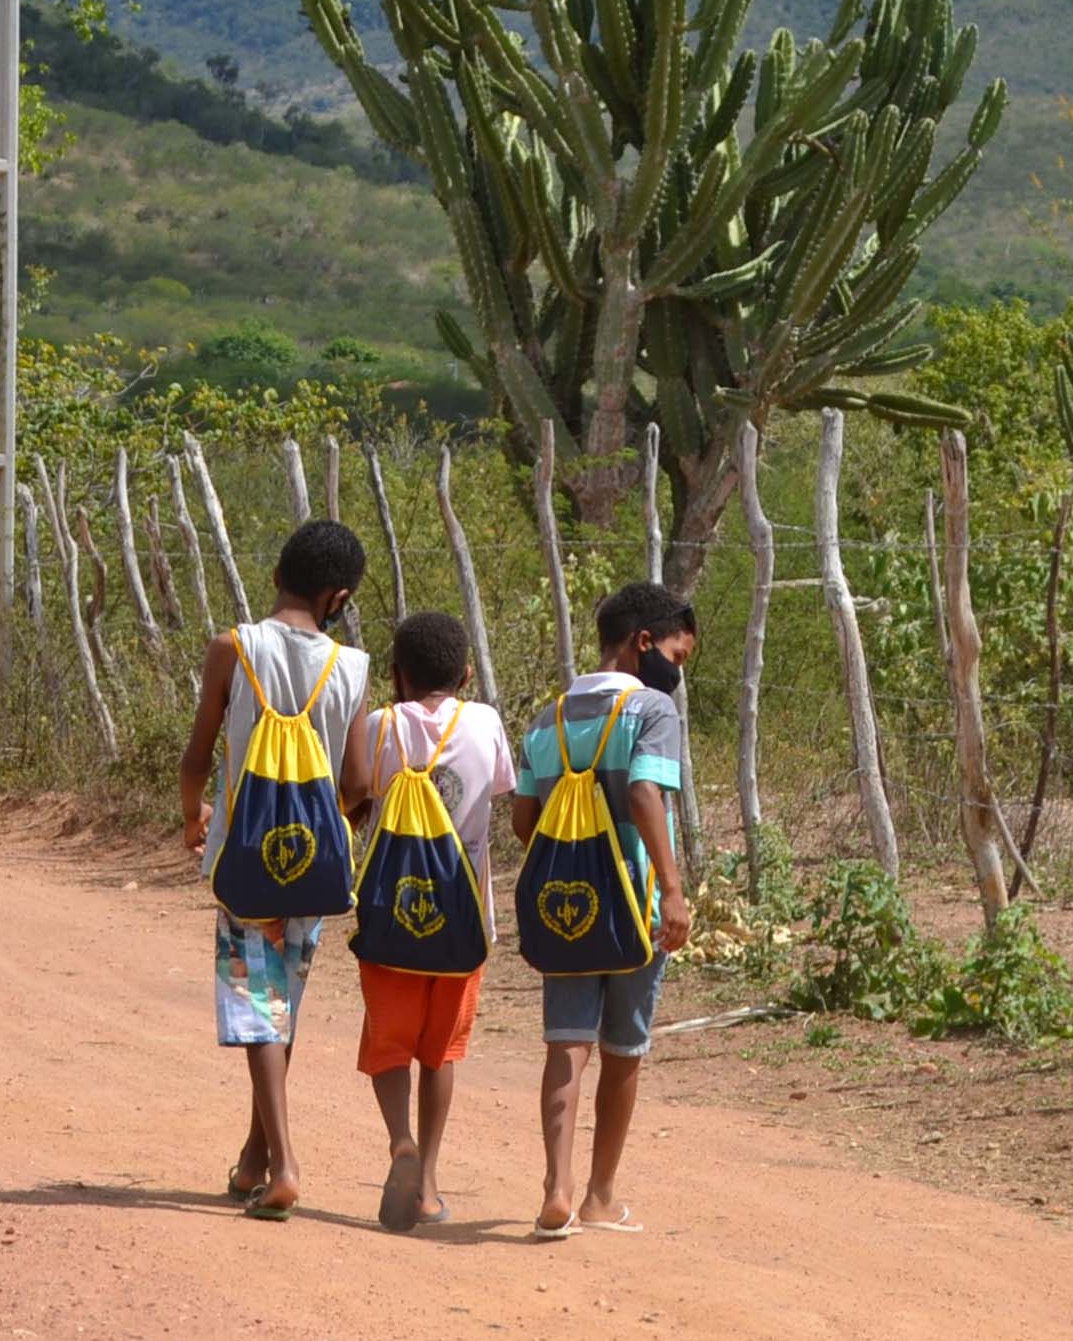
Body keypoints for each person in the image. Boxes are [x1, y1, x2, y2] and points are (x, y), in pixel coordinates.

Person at [179, 520, 371, 1221]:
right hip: (315, 863)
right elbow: (356, 781)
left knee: (257, 1002)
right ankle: (255, 1157)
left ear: (276, 576)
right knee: (279, 1002)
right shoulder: (352, 666)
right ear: (339, 596)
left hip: (245, 859)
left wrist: (192, 814)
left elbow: (199, 750)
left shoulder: (234, 647)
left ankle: (283, 1163)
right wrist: (336, 830)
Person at [510, 581, 697, 1239]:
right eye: (678, 655)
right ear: (643, 642)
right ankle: (599, 1197)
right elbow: (646, 793)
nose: (678, 672)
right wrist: (672, 891)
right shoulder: (651, 710)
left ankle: (554, 1188)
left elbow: (524, 819)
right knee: (623, 1049)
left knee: (567, 1044)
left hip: (569, 908)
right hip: (636, 906)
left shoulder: (548, 718)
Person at [340, 612, 515, 1231]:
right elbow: (497, 794)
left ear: (397, 675)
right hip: (463, 921)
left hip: (391, 916)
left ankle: (400, 1145)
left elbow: (352, 799)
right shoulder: (486, 723)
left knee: (390, 1041)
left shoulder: (378, 727)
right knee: (441, 1054)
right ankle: (431, 1184)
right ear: (466, 673)